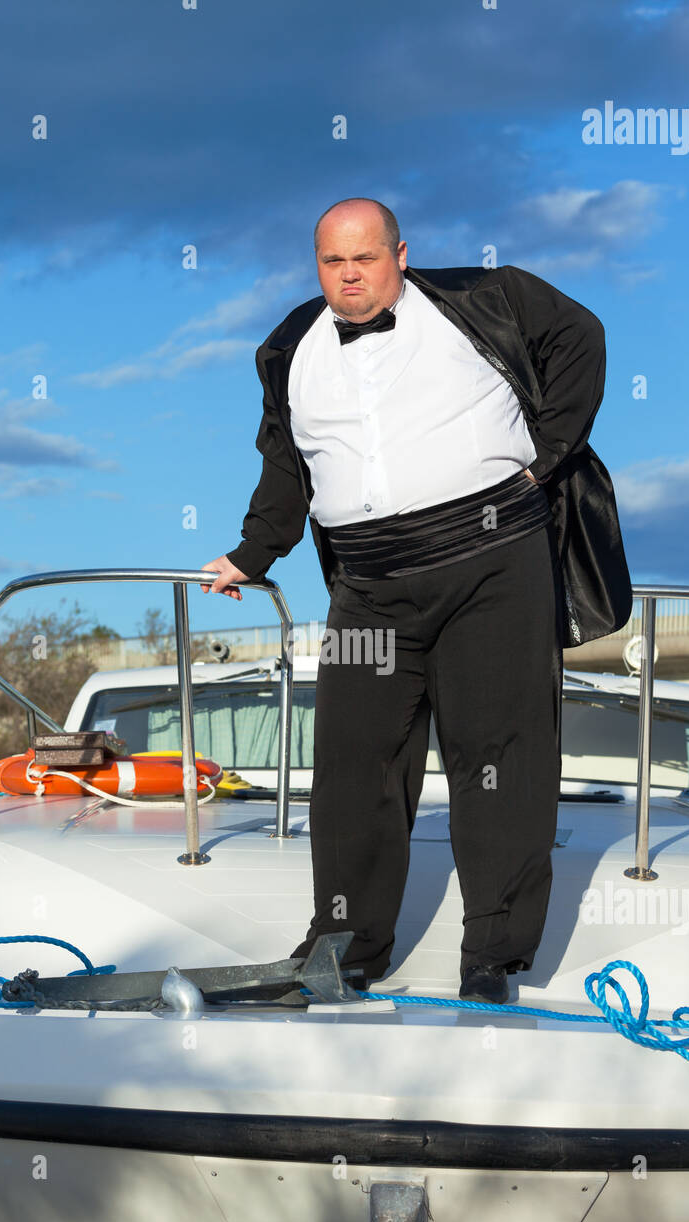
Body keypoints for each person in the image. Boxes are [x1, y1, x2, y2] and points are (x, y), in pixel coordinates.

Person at [201, 197, 610, 1003]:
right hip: (368, 585)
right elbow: (286, 461)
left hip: (492, 562)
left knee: (496, 760)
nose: (349, 275)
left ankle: (493, 957)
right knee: (353, 765)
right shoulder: (289, 347)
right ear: (316, 266)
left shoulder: (487, 301)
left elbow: (583, 338)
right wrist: (254, 550)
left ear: (400, 253)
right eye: (332, 262)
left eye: (365, 258)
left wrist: (549, 454)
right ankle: (346, 949)